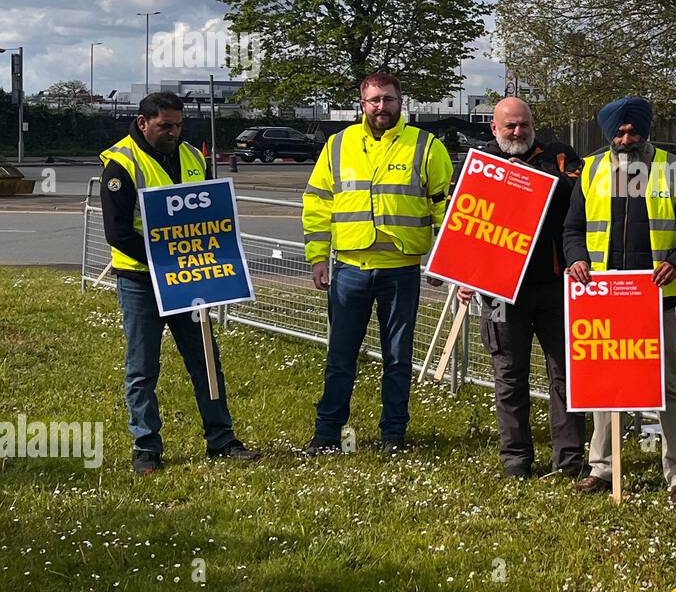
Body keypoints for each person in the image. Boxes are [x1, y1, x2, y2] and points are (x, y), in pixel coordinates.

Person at [100, 92, 261, 474]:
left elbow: (208, 213)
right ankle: (146, 448)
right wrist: (167, 262)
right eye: (165, 126)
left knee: (205, 360)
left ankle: (221, 440)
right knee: (142, 367)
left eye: (178, 124)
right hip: (141, 280)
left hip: (189, 280)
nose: (173, 132)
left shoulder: (192, 156)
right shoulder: (121, 164)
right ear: (143, 123)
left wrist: (208, 260)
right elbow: (117, 232)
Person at [563, 96, 676, 507]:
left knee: (665, 388)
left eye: (633, 131)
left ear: (645, 132)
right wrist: (576, 258)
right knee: (604, 383)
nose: (627, 139)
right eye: (619, 133)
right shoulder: (590, 170)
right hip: (602, 298)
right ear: (609, 135)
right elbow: (573, 227)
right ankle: (601, 467)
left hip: (655, 299)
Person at [301, 72, 453, 455]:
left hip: (401, 269)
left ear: (401, 102)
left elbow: (446, 209)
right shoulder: (338, 146)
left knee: (398, 358)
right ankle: (327, 433)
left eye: (387, 99)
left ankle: (393, 435)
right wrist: (318, 256)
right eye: (373, 100)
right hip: (349, 269)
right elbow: (318, 204)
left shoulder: (426, 146)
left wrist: (442, 261)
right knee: (340, 356)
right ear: (362, 103)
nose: (381, 107)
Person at [457, 97, 586, 479]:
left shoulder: (561, 156)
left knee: (564, 374)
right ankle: (516, 459)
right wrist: (463, 275)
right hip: (498, 290)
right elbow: (461, 223)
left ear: (533, 124)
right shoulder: (478, 163)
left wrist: (528, 181)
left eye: (523, 125)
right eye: (509, 126)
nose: (517, 132)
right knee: (509, 375)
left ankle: (569, 459)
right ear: (494, 129)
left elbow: (578, 201)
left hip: (555, 285)